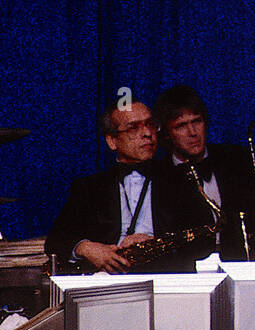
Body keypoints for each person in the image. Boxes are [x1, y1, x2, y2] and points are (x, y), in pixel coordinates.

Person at [45, 99, 207, 272]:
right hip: (107, 283)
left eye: (150, 124)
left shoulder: (182, 179)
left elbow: (204, 239)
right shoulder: (89, 187)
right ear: (112, 141)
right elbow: (56, 241)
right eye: (133, 127)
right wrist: (87, 248)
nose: (147, 133)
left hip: (166, 279)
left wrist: (159, 245)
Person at [153, 83, 255, 261]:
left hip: (239, 265)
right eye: (181, 126)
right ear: (166, 133)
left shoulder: (237, 159)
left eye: (197, 121)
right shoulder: (158, 175)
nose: (192, 132)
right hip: (186, 274)